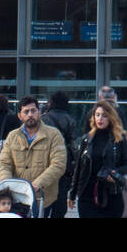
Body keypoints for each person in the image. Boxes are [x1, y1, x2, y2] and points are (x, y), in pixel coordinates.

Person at [0, 96, 68, 214]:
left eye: (33, 111)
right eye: (26, 111)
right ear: (20, 115)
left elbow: (58, 165)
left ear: (39, 112)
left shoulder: (54, 135)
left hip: (43, 198)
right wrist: (7, 183)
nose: (30, 114)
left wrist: (37, 184)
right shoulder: (12, 136)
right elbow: (4, 163)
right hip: (17, 198)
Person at [68, 99, 127, 218]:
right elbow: (78, 168)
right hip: (87, 194)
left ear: (111, 117)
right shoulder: (87, 139)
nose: (100, 119)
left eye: (104, 116)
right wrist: (72, 194)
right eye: (97, 115)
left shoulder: (119, 138)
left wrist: (115, 173)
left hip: (111, 194)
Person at [42, 91, 79, 219]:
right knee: (61, 194)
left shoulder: (44, 118)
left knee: (46, 192)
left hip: (47, 160)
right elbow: (73, 142)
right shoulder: (70, 119)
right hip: (65, 160)